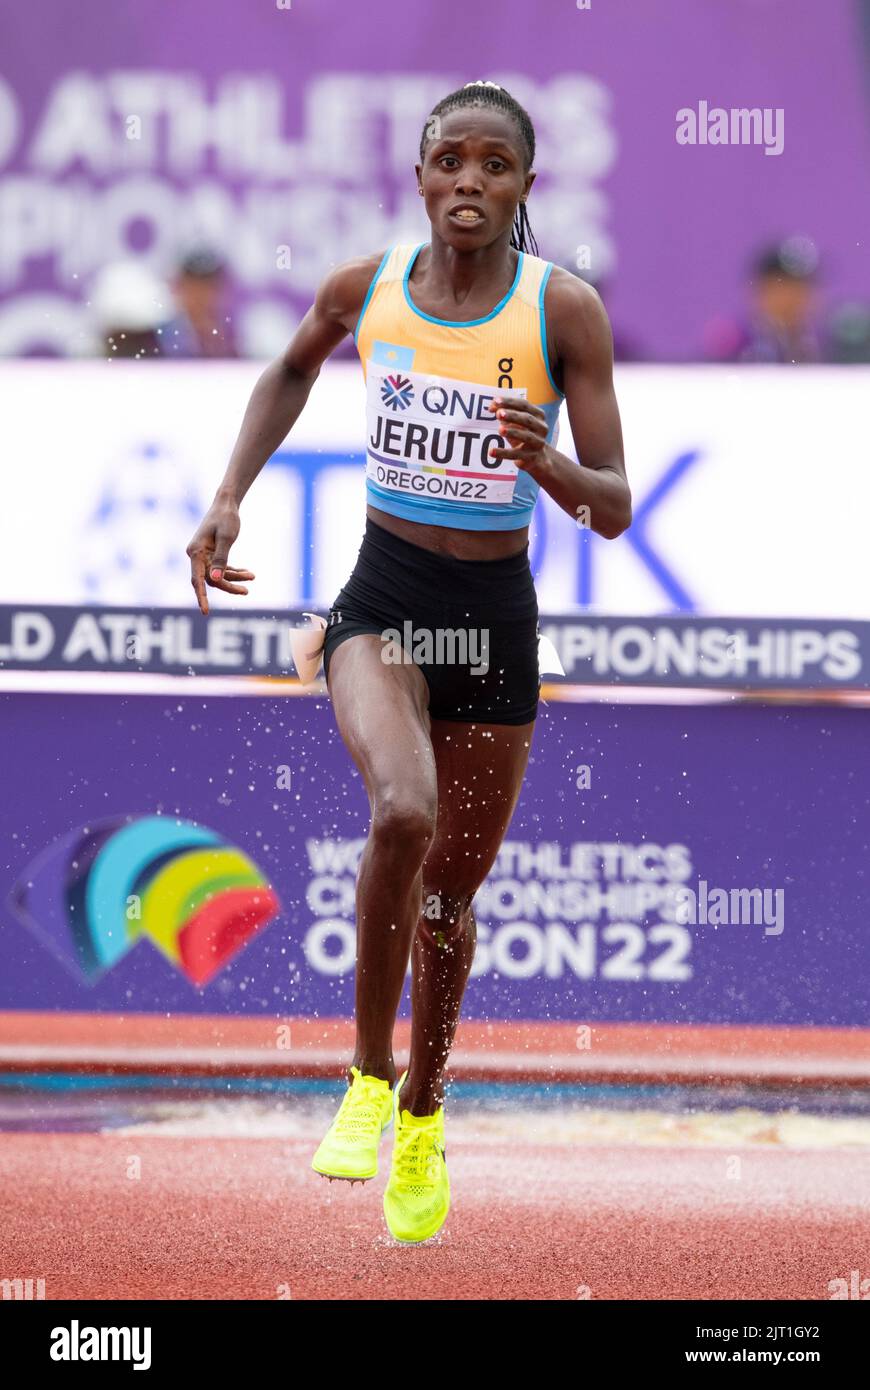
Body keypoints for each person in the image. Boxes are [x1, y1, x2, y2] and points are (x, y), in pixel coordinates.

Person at [186, 80, 631, 1245]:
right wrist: (229, 497)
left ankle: (427, 1112)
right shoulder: (368, 288)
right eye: (451, 162)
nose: (470, 182)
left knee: (448, 901)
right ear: (423, 175)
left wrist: (550, 469)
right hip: (381, 604)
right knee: (401, 810)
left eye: (496, 166)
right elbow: (290, 367)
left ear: (526, 186)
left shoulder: (562, 311)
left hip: (493, 618)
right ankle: (366, 1080)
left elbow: (617, 506)